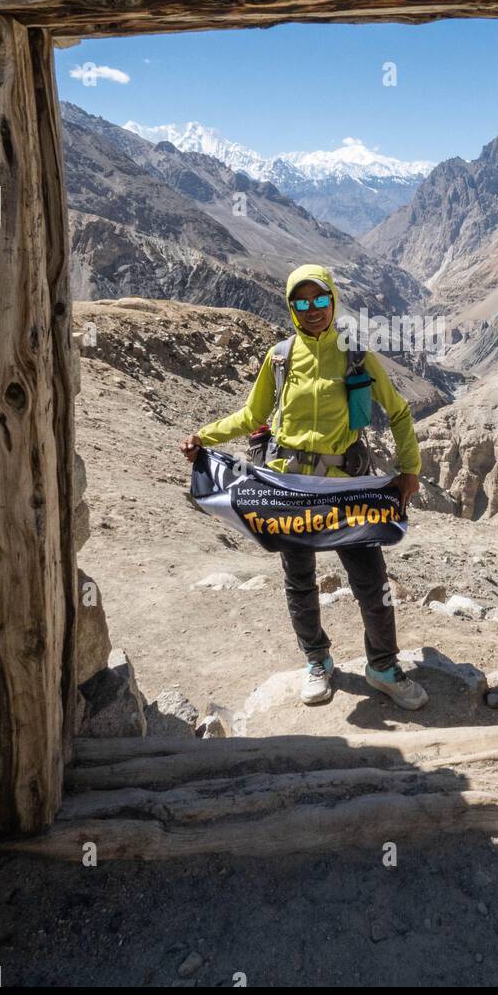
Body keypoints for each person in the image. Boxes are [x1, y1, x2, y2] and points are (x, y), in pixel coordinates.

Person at [180, 263, 428, 711]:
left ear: (332, 301)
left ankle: (383, 666)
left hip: (345, 489)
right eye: (301, 301)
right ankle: (317, 660)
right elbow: (251, 416)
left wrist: (410, 468)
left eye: (319, 300)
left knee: (371, 582)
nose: (312, 309)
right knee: (299, 581)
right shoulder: (278, 358)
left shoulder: (355, 354)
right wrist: (205, 436)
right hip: (289, 488)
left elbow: (399, 412)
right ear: (291, 306)